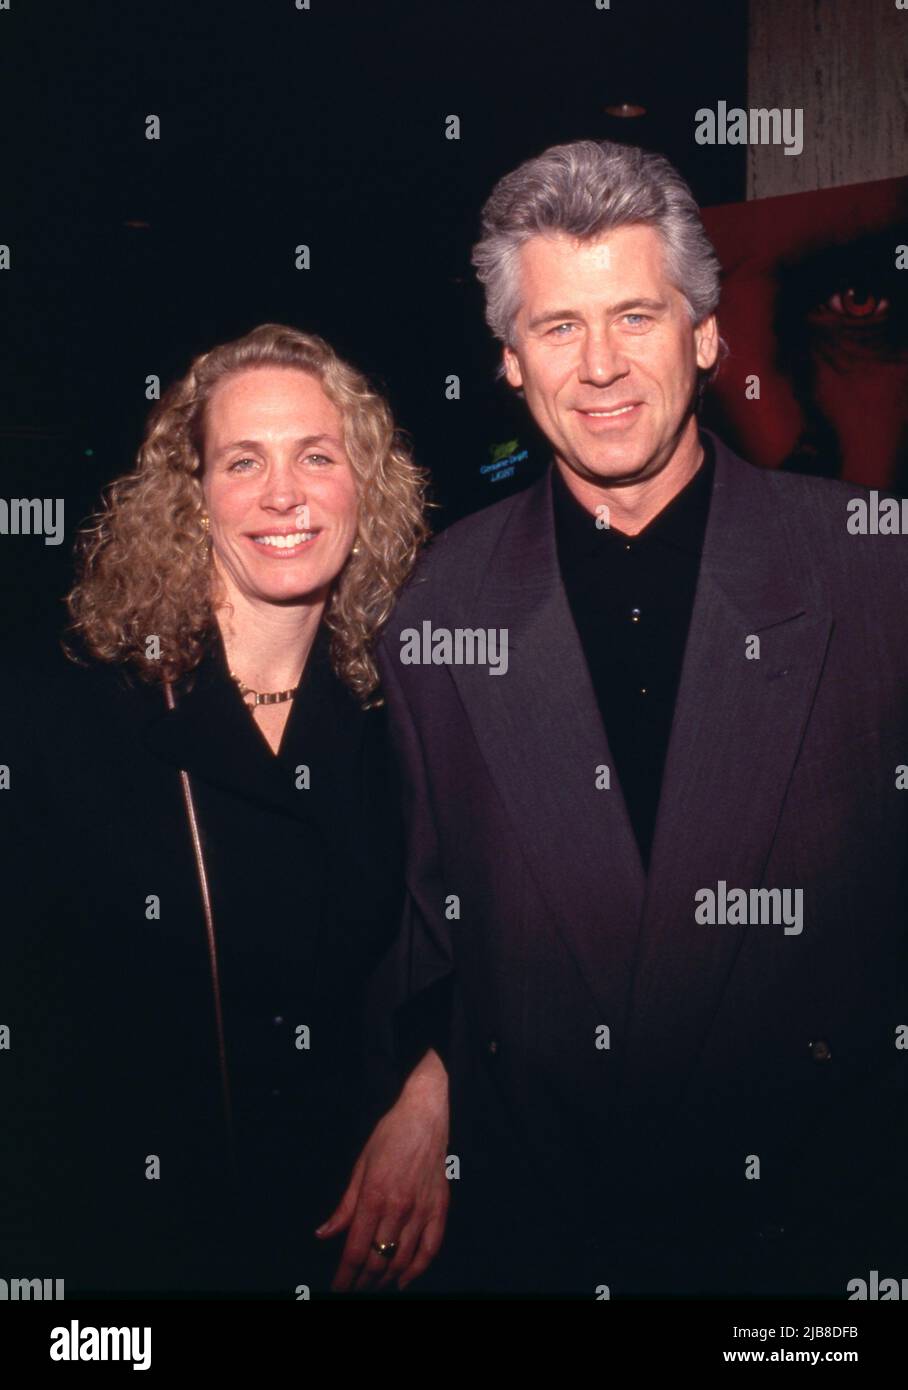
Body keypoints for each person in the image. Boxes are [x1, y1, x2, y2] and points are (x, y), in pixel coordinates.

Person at [378, 140, 908, 1296]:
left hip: (814, 1250)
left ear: (706, 337)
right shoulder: (434, 608)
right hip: (544, 1243)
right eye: (558, 327)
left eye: (636, 315)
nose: (601, 366)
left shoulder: (875, 573)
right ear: (511, 362)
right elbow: (434, 925)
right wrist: (430, 1080)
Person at [0, 323, 449, 1296]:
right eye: (243, 461)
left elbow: (489, 931)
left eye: (315, 457)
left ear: (361, 490)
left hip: (345, 1245)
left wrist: (433, 1089)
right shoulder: (63, 713)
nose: (282, 494)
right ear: (191, 498)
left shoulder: (399, 710)